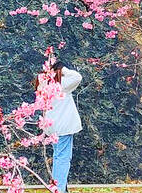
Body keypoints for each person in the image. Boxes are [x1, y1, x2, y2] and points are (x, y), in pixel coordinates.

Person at [36, 59, 83, 193]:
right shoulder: (61, 84)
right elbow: (77, 77)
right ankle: (59, 189)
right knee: (62, 158)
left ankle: (61, 188)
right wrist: (63, 70)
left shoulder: (42, 83)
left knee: (58, 156)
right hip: (63, 127)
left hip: (51, 127)